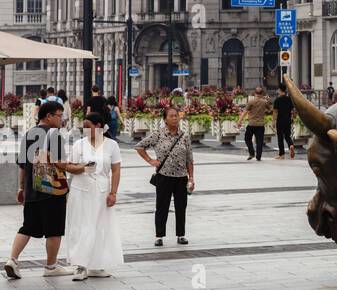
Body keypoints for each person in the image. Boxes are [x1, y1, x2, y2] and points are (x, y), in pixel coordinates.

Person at [4, 99, 74, 279]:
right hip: (52, 191)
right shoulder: (54, 134)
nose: (62, 119)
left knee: (27, 227)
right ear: (49, 116)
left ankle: (13, 259)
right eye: (60, 115)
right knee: (54, 229)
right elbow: (60, 163)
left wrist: (21, 188)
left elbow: (21, 165)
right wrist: (80, 167)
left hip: (31, 190)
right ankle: (51, 267)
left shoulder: (27, 134)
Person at [65, 112, 123, 280]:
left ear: (98, 126)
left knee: (100, 227)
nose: (84, 130)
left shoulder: (112, 145)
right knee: (82, 226)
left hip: (102, 191)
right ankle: (80, 266)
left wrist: (113, 192)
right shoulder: (79, 145)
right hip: (80, 190)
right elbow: (69, 165)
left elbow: (116, 170)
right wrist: (82, 168)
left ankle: (97, 264)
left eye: (87, 126)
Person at [136, 106, 195, 246]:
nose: (175, 118)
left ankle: (181, 235)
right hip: (164, 176)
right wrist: (150, 160)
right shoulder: (158, 134)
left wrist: (191, 178)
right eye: (171, 116)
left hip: (181, 177)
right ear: (165, 119)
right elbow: (139, 146)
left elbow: (189, 158)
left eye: (176, 115)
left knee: (181, 206)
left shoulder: (184, 136)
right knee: (162, 206)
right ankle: (159, 236)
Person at [239, 87, 271, 161]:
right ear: (262, 93)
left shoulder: (251, 102)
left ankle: (252, 153)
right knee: (259, 141)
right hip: (260, 125)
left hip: (251, 124)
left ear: (254, 93)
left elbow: (244, 112)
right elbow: (270, 110)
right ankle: (258, 157)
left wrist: (239, 122)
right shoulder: (264, 102)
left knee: (247, 138)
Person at [272, 84, 295, 160]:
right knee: (287, 136)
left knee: (280, 137)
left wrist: (273, 121)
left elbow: (275, 112)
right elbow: (292, 111)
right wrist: (292, 118)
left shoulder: (277, 100)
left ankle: (281, 155)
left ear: (280, 90)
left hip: (280, 120)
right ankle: (291, 145)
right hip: (288, 120)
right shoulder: (289, 99)